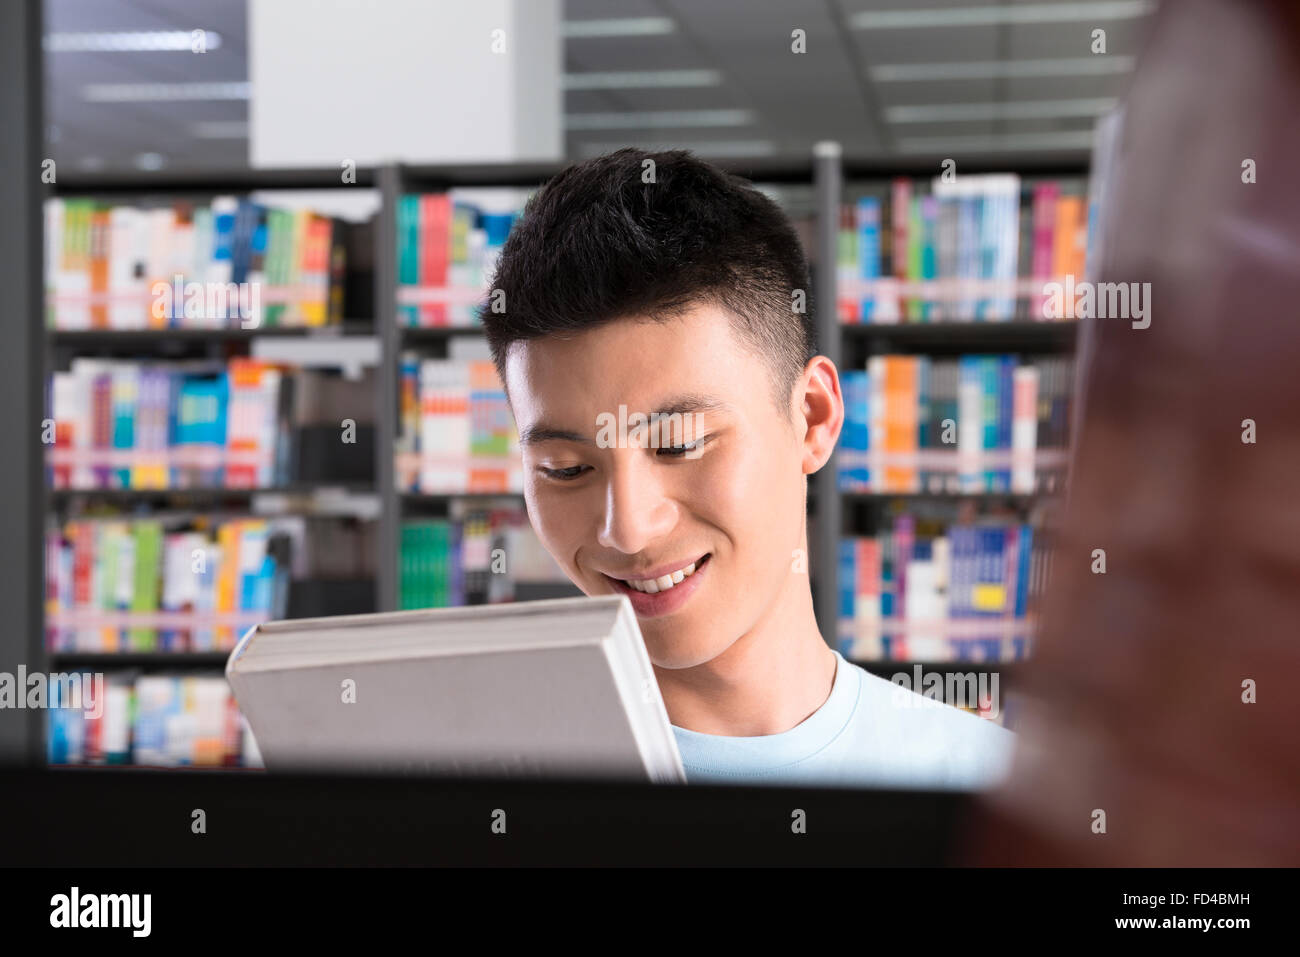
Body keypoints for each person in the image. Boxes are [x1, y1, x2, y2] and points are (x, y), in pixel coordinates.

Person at [483, 148, 1013, 789]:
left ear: (813, 418)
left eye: (678, 444)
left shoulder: (1002, 800)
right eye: (565, 469)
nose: (628, 530)